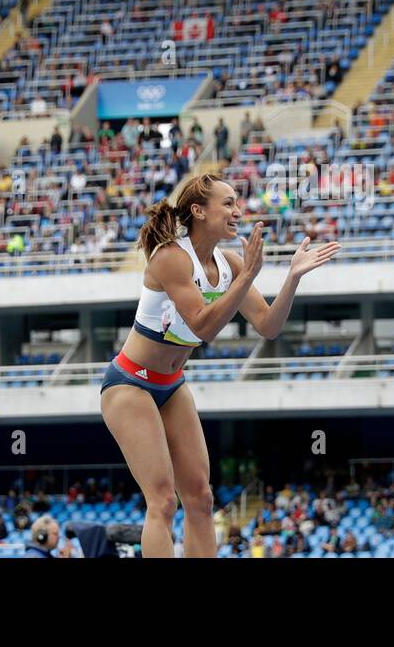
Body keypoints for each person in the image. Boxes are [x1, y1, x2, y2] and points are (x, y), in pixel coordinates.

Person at [100, 174, 340, 557]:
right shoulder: (171, 257)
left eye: (237, 202)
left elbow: (268, 326)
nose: (237, 210)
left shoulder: (228, 263)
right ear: (198, 211)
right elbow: (203, 325)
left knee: (201, 498)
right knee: (162, 501)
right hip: (130, 382)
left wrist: (291, 278)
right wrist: (247, 277)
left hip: (171, 383)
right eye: (227, 203)